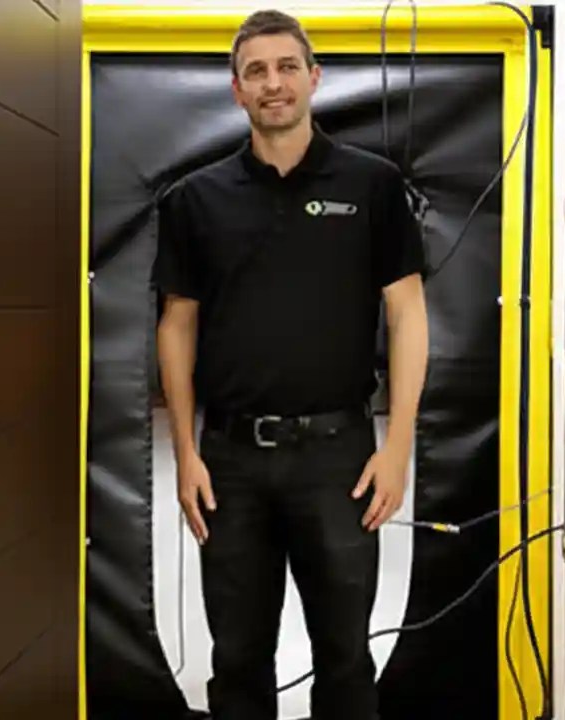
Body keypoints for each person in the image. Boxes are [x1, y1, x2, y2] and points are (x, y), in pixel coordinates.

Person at [153, 9, 430, 720]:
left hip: (339, 459)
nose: (272, 83)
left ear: (314, 76)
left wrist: (397, 447)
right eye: (256, 71)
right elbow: (176, 328)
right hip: (229, 464)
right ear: (236, 89)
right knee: (238, 659)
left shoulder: (372, 187)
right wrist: (186, 452)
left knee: (343, 656)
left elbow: (407, 315)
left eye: (285, 67)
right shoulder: (194, 200)